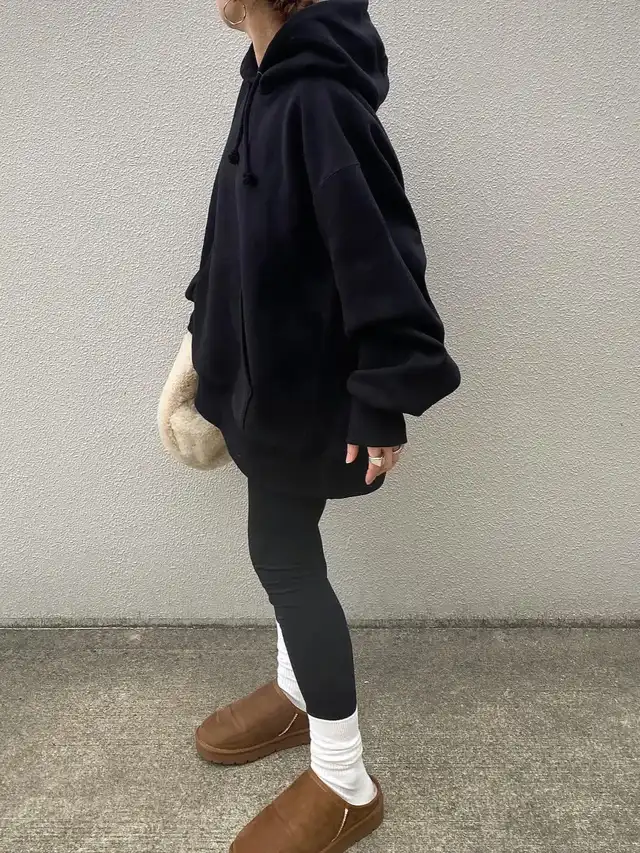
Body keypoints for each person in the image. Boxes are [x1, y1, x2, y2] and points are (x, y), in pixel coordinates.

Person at [180, 1, 461, 850]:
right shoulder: (265, 83)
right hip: (259, 379)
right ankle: (296, 693)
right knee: (284, 545)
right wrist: (200, 340)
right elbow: (232, 232)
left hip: (309, 389)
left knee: (282, 555)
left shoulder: (320, 100)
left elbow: (381, 253)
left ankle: (345, 779)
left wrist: (383, 392)